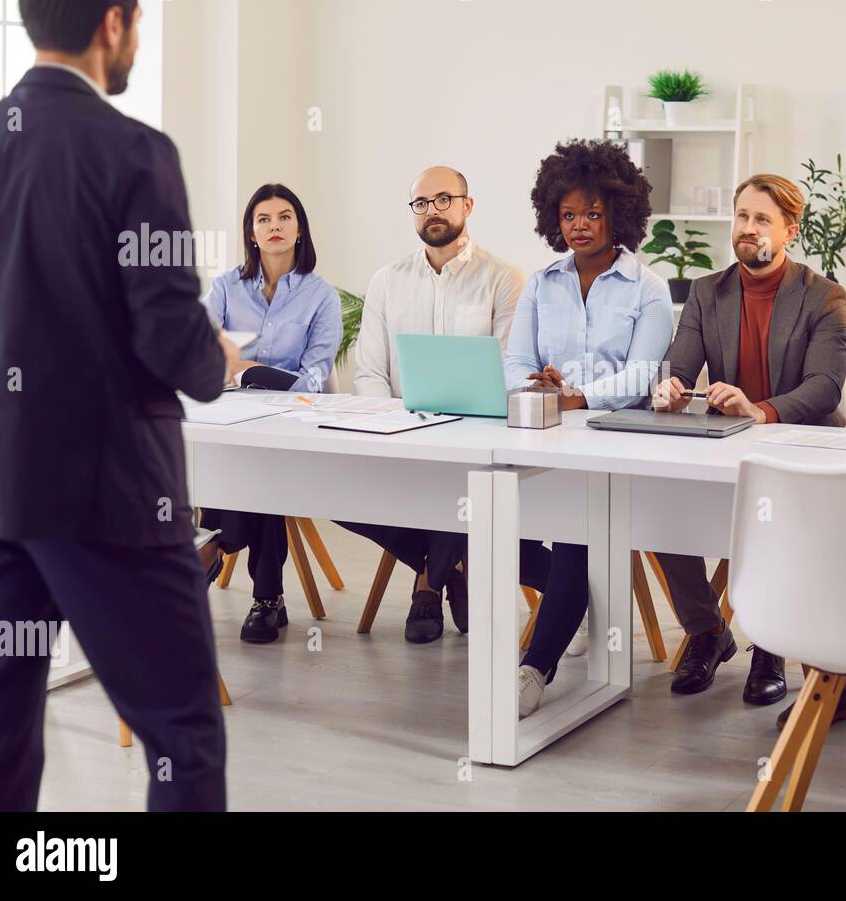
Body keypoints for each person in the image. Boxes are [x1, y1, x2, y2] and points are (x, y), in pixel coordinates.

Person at [0, 0, 239, 810]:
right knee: (181, 737)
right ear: (113, 22)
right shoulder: (134, 152)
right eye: (137, 25)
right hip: (110, 497)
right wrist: (215, 360)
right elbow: (167, 333)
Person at [650, 173, 846, 710]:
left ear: (790, 229)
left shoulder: (823, 296)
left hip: (801, 453)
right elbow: (678, 366)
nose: (747, 227)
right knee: (658, 504)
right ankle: (708, 630)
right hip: (726, 449)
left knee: (776, 519)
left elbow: (825, 389)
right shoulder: (706, 291)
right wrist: (669, 388)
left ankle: (771, 644)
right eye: (741, 216)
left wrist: (759, 411)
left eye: (762, 218)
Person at [339, 166, 544, 643]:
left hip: (474, 440)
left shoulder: (503, 278)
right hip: (399, 432)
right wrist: (390, 426)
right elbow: (370, 372)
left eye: (444, 199)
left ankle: (429, 583)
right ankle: (454, 567)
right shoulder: (387, 280)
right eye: (421, 203)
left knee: (460, 482)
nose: (432, 210)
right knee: (336, 491)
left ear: (467, 205)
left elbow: (509, 371)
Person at [510, 139, 673, 717]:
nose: (580, 226)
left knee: (577, 534)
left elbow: (641, 377)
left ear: (619, 214)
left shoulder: (648, 289)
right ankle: (567, 602)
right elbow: (514, 362)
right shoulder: (540, 283)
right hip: (544, 433)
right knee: (489, 512)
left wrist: (575, 396)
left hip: (614, 445)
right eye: (569, 214)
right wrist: (535, 384)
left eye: (594, 213)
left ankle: (534, 667)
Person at [199, 184, 342, 642]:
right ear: (251, 232)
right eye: (264, 218)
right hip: (225, 417)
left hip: (291, 423)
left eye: (284, 217)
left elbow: (313, 381)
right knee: (232, 457)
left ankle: (219, 556)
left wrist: (248, 368)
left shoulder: (321, 296)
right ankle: (266, 596)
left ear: (299, 229)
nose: (274, 226)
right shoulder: (224, 287)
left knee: (259, 464)